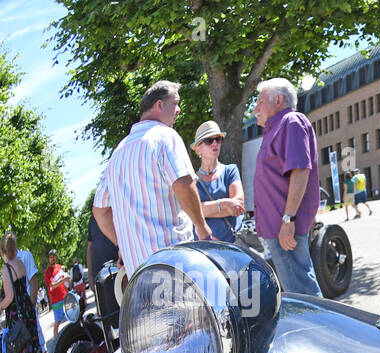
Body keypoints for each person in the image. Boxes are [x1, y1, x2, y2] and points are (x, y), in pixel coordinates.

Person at [93, 81, 213, 276]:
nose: (179, 110)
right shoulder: (165, 136)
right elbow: (183, 183)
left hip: (139, 277)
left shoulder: (117, 154)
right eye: (176, 103)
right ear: (159, 105)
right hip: (176, 263)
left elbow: (100, 211)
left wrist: (122, 244)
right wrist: (202, 228)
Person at [253, 77, 322, 296]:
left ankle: (317, 329)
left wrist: (288, 220)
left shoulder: (291, 122)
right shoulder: (276, 128)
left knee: (303, 292)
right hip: (278, 227)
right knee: (297, 289)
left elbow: (301, 170)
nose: (255, 108)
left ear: (279, 100)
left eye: (260, 101)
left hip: (284, 226)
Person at [1, 232, 54, 353]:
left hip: (19, 318)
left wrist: (0, 305)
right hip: (28, 314)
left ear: (3, 251)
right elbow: (24, 288)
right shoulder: (21, 263)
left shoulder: (6, 269)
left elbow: (9, 298)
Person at [190, 121, 244, 243]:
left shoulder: (231, 170)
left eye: (218, 139)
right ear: (198, 150)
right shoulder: (192, 181)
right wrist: (224, 204)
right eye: (209, 140)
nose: (215, 143)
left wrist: (203, 210)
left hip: (233, 245)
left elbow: (238, 206)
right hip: (205, 249)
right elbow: (191, 213)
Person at [43, 249, 71, 339]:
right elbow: (52, 286)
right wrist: (63, 280)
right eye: (50, 257)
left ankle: (74, 335)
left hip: (65, 296)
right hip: (56, 301)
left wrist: (69, 290)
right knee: (58, 322)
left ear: (56, 257)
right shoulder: (47, 272)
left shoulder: (59, 267)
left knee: (72, 316)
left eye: (54, 257)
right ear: (48, 259)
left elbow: (65, 281)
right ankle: (56, 341)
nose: (52, 259)